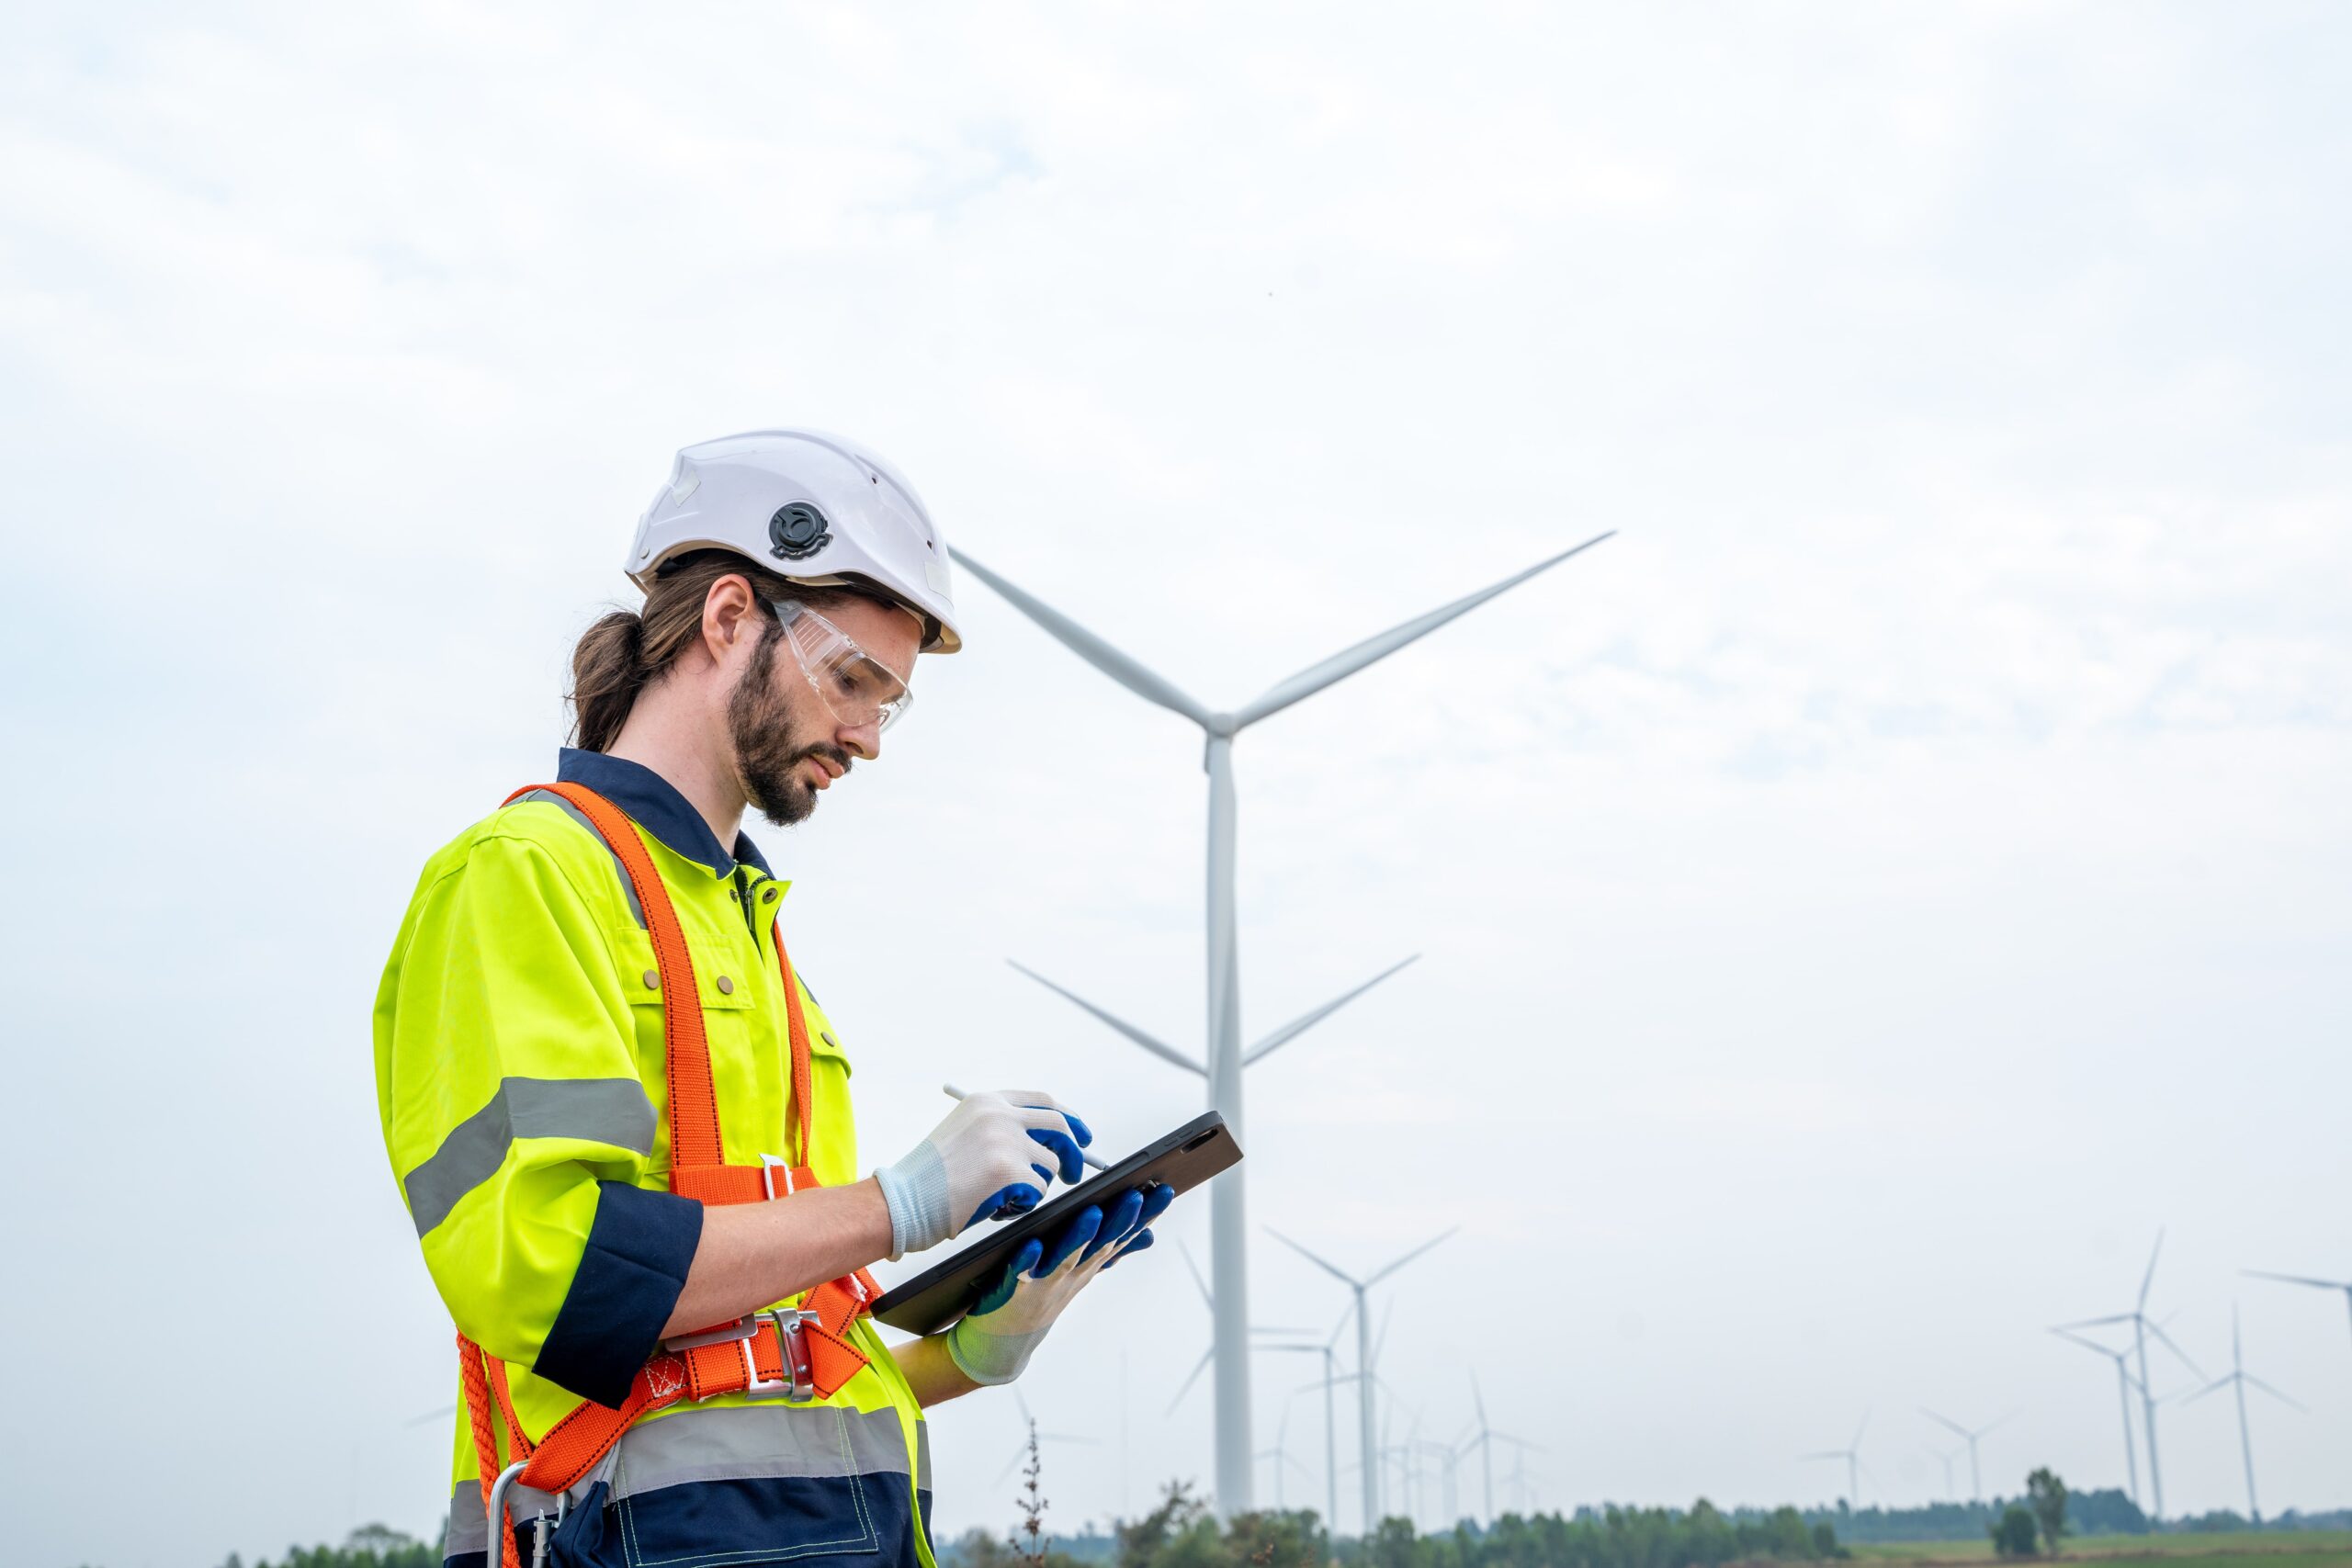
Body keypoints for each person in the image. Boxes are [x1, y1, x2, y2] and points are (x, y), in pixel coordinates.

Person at [374, 430, 1170, 1568]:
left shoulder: (747, 932)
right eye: (854, 681)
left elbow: (744, 1384)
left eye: (889, 705)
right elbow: (566, 1282)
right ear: (731, 617)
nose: (867, 738)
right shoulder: (525, 876)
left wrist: (975, 1350)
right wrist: (899, 1204)